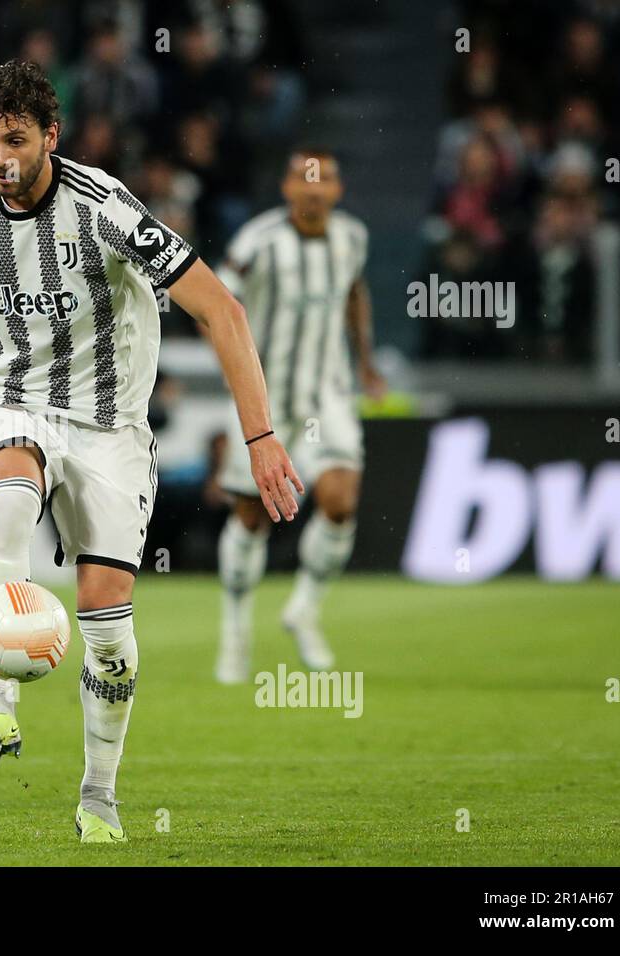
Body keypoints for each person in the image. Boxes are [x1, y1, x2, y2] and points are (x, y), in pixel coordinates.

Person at [0, 61, 300, 843]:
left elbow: (222, 310)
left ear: (50, 137)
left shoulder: (106, 211)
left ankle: (98, 798)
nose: (0, 158)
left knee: (106, 625)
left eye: (16, 140)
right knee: (11, 492)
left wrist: (261, 437)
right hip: (8, 401)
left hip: (110, 427)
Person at [214, 148, 385, 684]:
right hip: (264, 399)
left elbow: (355, 294)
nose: (314, 190)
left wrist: (367, 363)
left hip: (327, 392)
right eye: (304, 180)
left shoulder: (352, 238)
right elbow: (214, 305)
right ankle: (236, 629)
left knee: (340, 501)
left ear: (338, 189)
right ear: (287, 187)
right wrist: (234, 374)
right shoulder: (257, 241)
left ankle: (304, 608)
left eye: (325, 180)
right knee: (251, 516)